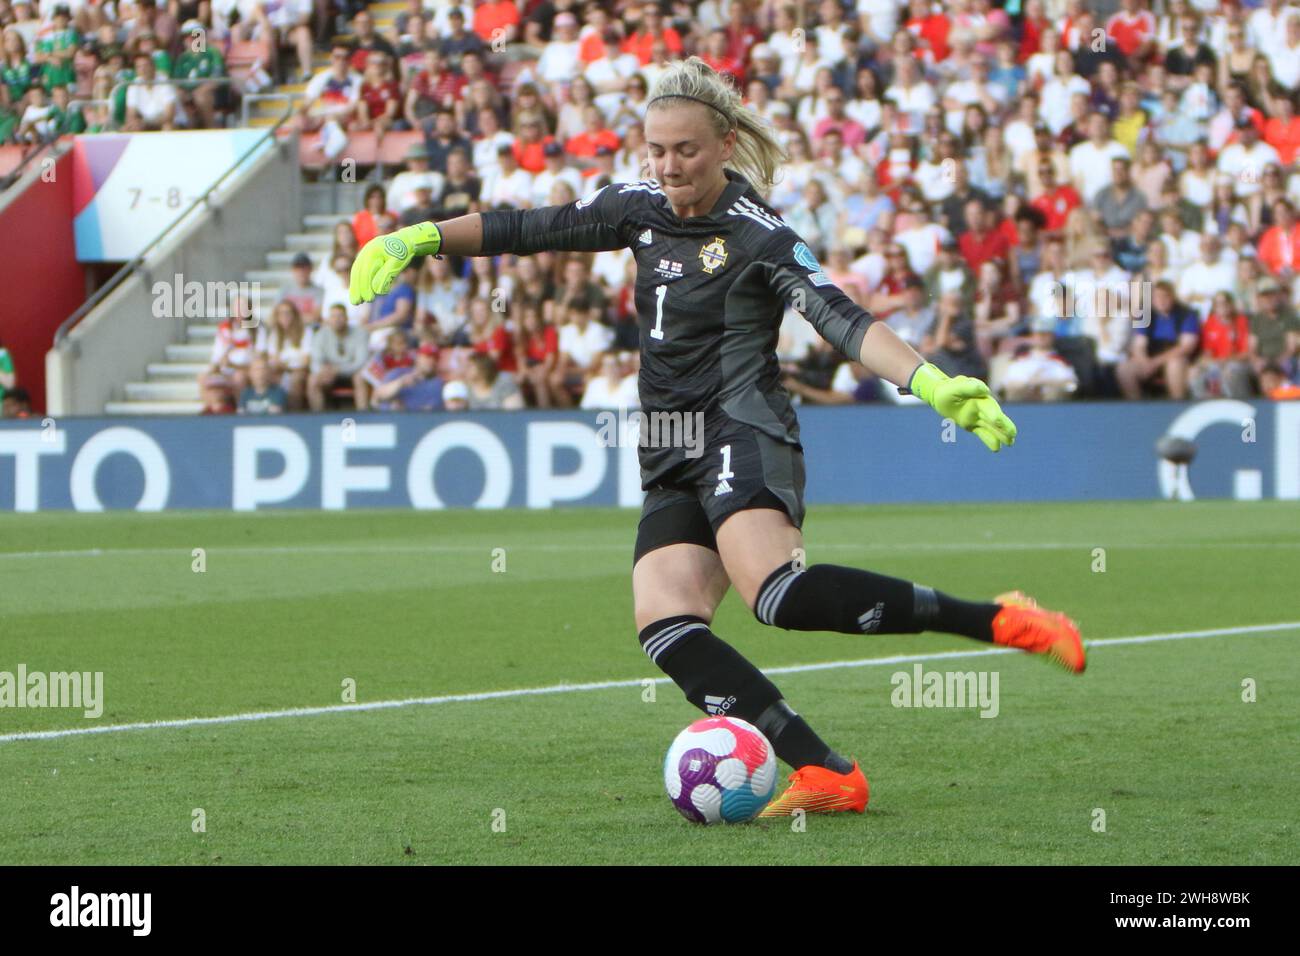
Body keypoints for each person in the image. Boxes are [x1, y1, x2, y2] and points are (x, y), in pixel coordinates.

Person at [348, 57, 1084, 820]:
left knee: (778, 593)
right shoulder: (635, 206)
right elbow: (527, 228)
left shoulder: (759, 236)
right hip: (667, 442)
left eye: (686, 151)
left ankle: (995, 620)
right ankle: (828, 773)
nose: (668, 166)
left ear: (725, 143)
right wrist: (419, 238)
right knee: (665, 623)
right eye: (657, 150)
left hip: (742, 428)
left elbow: (838, 317)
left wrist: (929, 382)